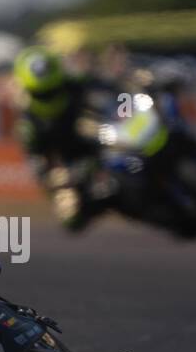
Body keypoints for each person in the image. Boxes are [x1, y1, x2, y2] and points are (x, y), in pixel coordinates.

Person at [10, 46, 118, 230]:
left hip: (105, 141)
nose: (50, 96)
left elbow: (111, 88)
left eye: (53, 90)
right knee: (71, 218)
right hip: (74, 164)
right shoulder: (30, 124)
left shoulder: (75, 84)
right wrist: (57, 178)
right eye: (43, 94)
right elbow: (38, 162)